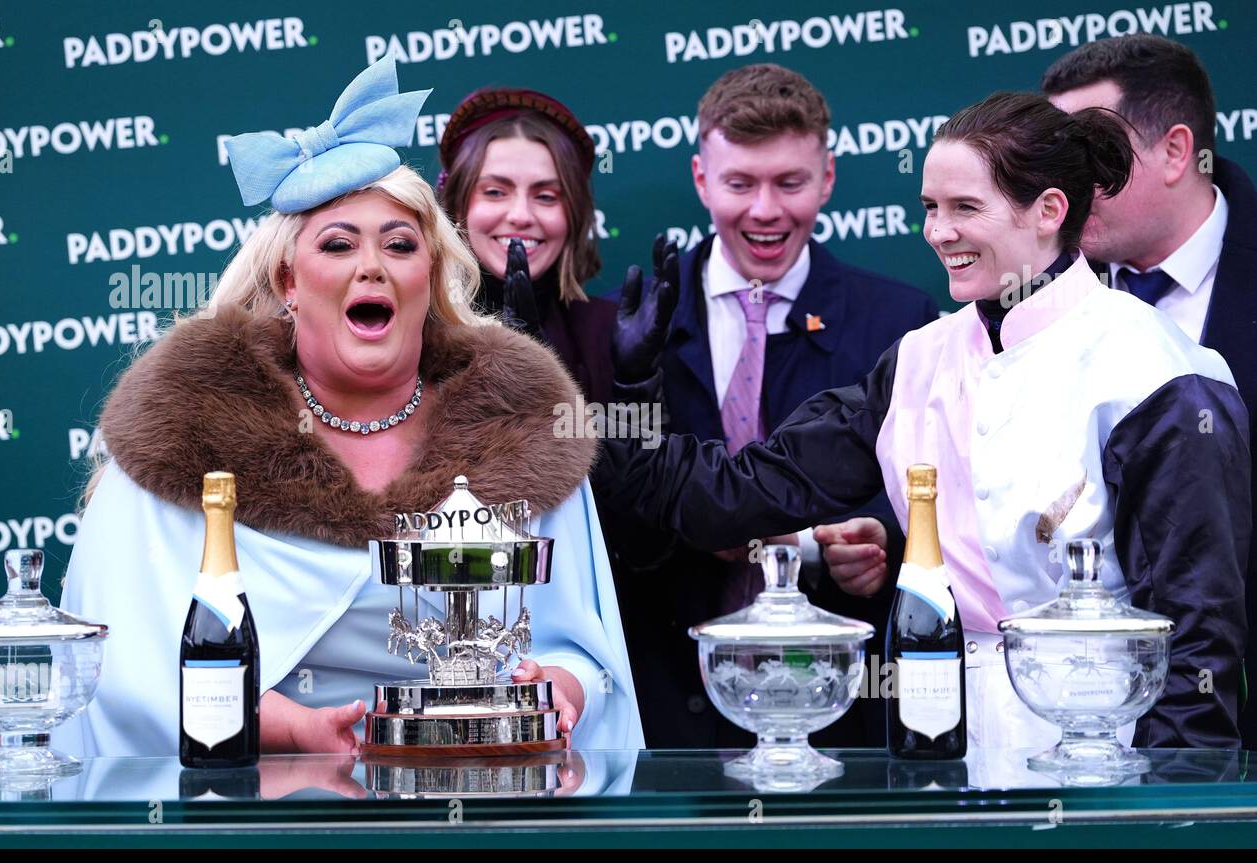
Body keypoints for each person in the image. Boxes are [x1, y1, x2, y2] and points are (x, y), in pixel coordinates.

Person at [600, 91, 1250, 753]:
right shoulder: (919, 357)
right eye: (930, 208)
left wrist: (1164, 823)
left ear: (1050, 211)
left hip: (1104, 760)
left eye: (965, 208)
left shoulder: (1157, 372)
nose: (939, 232)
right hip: (938, 756)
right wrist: (632, 389)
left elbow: (1201, 639)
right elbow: (733, 498)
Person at [55, 56, 643, 760]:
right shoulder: (186, 428)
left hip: (479, 798)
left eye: (400, 245)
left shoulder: (519, 428)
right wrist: (297, 729)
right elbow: (128, 663)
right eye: (339, 244)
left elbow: (584, 646)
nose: (373, 266)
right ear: (288, 278)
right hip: (262, 808)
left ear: (429, 275)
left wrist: (560, 689)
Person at [610, 64, 939, 749]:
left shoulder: (900, 321)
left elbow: (938, 488)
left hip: (847, 714)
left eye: (790, 183)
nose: (765, 210)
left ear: (828, 179)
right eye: (740, 184)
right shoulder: (634, 324)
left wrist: (886, 536)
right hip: (667, 708)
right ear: (702, 180)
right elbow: (614, 508)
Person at [1040, 35, 1257, 749]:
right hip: (1084, 730)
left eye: (1093, 155)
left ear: (1175, 152)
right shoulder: (1032, 302)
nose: (1065, 187)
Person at [436, 87, 618, 407]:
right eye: (494, 192)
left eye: (546, 196)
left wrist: (638, 386)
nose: (521, 215)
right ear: (456, 206)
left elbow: (644, 453)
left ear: (574, 215)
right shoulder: (413, 333)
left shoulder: (612, 335)